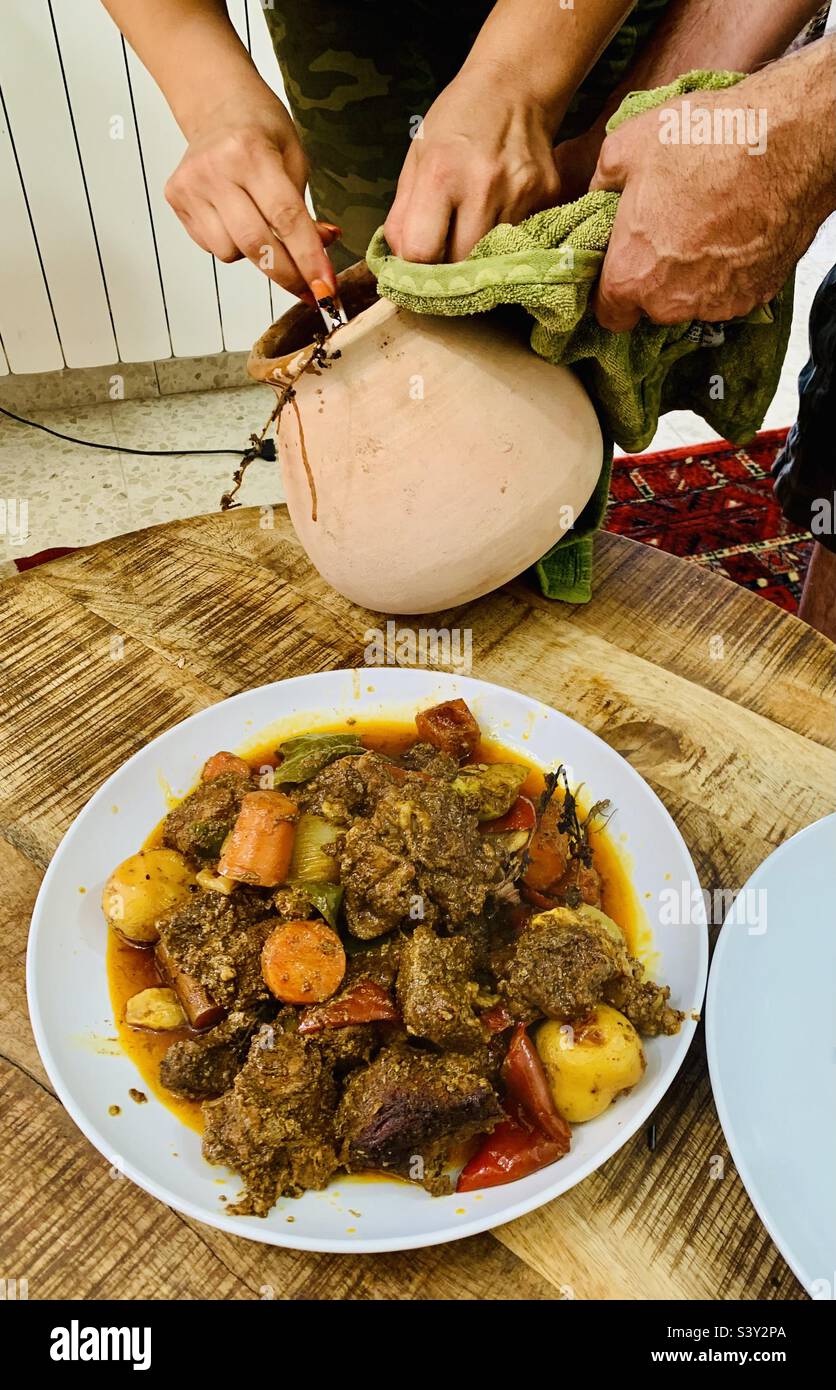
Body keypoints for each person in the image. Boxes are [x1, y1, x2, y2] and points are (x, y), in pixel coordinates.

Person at [102, 0, 835, 636]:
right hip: (354, 25)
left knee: (569, 229)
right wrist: (212, 96)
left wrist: (515, 85)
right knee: (407, 241)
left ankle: (557, 532)